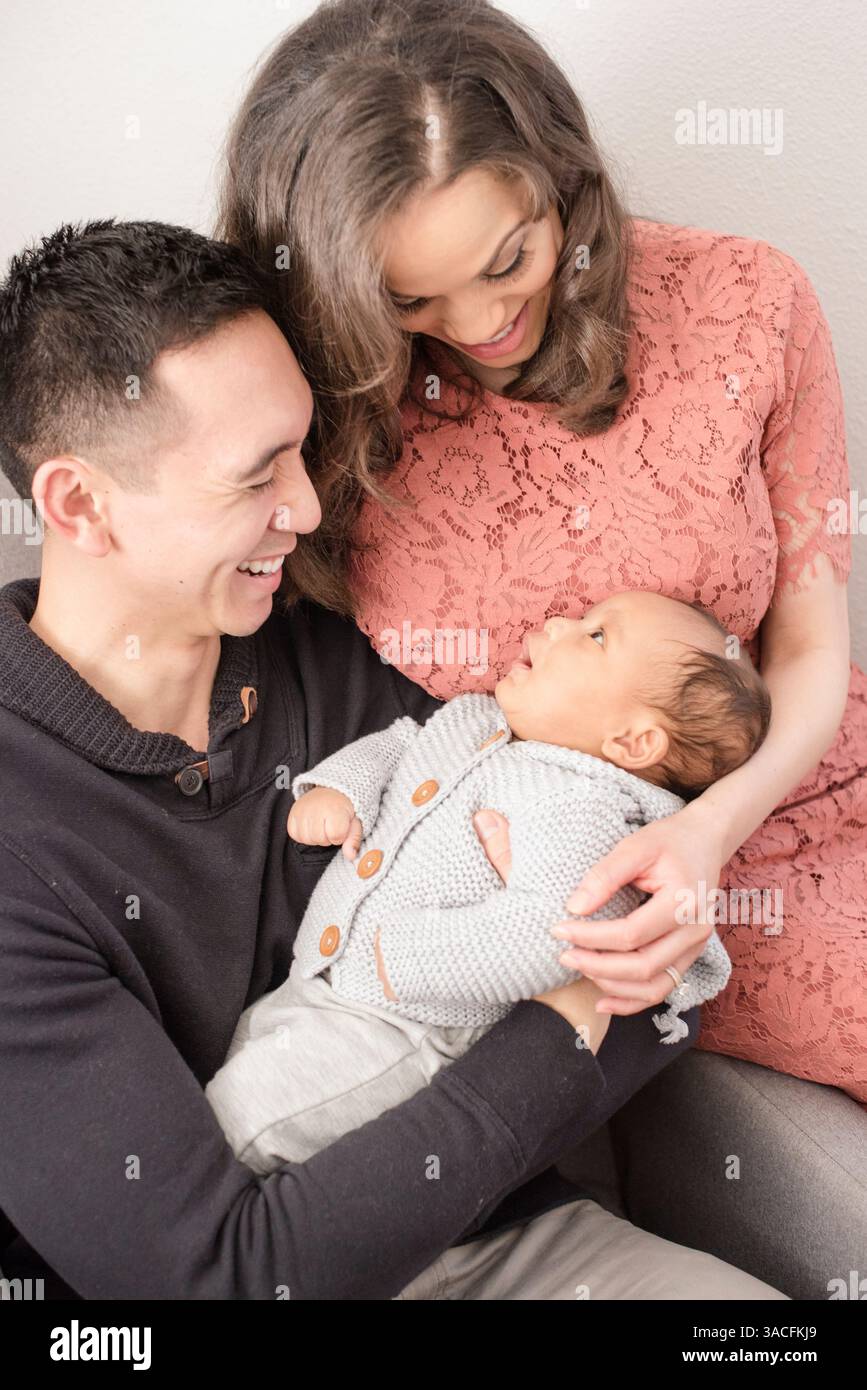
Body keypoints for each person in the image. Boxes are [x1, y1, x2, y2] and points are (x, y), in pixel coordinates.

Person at [0, 219, 788, 1300]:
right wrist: (559, 1030)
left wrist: (653, 907)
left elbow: (653, 969)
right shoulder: (17, 842)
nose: (312, 509)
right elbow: (212, 1280)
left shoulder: (338, 652)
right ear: (80, 505)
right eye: (254, 476)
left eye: (302, 449)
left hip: (491, 1242)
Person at [216, 0, 864, 1106]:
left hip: (791, 780)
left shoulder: (749, 305)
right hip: (595, 890)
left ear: (558, 171)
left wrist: (714, 827)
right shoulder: (334, 414)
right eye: (408, 297)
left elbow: (811, 644)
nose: (478, 324)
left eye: (509, 257)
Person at [204, 589, 771, 1172]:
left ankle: (201, 1238)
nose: (558, 621)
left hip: (407, 1026)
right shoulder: (482, 721)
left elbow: (553, 935)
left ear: (631, 741)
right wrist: (342, 789)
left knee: (241, 1122)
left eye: (596, 635)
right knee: (236, 1077)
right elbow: (402, 744)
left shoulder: (587, 808)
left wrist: (398, 958)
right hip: (319, 984)